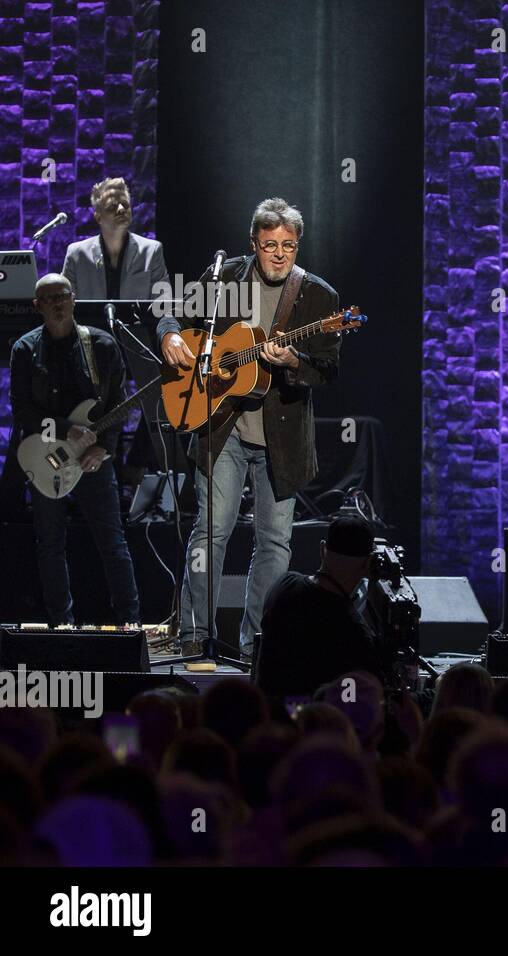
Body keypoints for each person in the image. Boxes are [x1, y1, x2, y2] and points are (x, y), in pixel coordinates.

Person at [156, 197, 342, 659]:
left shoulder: (319, 296)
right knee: (209, 532)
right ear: (253, 245)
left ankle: (257, 644)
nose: (279, 254)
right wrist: (171, 334)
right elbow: (170, 309)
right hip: (223, 428)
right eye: (269, 245)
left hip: (281, 439)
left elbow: (328, 368)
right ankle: (194, 636)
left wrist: (295, 360)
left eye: (289, 245)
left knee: (274, 542)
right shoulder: (225, 280)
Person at [9, 273, 139, 624]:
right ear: (37, 307)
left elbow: (118, 404)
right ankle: (61, 624)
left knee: (112, 543)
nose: (57, 304)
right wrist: (67, 429)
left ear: (74, 299)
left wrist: (104, 449)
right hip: (46, 456)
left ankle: (130, 623)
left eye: (62, 296)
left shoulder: (101, 345)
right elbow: (23, 411)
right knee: (50, 545)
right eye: (48, 299)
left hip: (92, 458)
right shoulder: (25, 349)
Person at [255, 515, 384, 697]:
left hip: (270, 718)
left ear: (323, 548)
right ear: (368, 564)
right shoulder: (353, 630)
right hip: (317, 722)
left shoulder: (284, 585)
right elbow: (373, 694)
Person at [61, 177, 169, 301]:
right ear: (98, 217)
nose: (121, 209)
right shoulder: (76, 254)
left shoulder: (152, 250)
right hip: (88, 321)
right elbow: (64, 305)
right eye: (112, 207)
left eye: (126, 205)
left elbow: (163, 306)